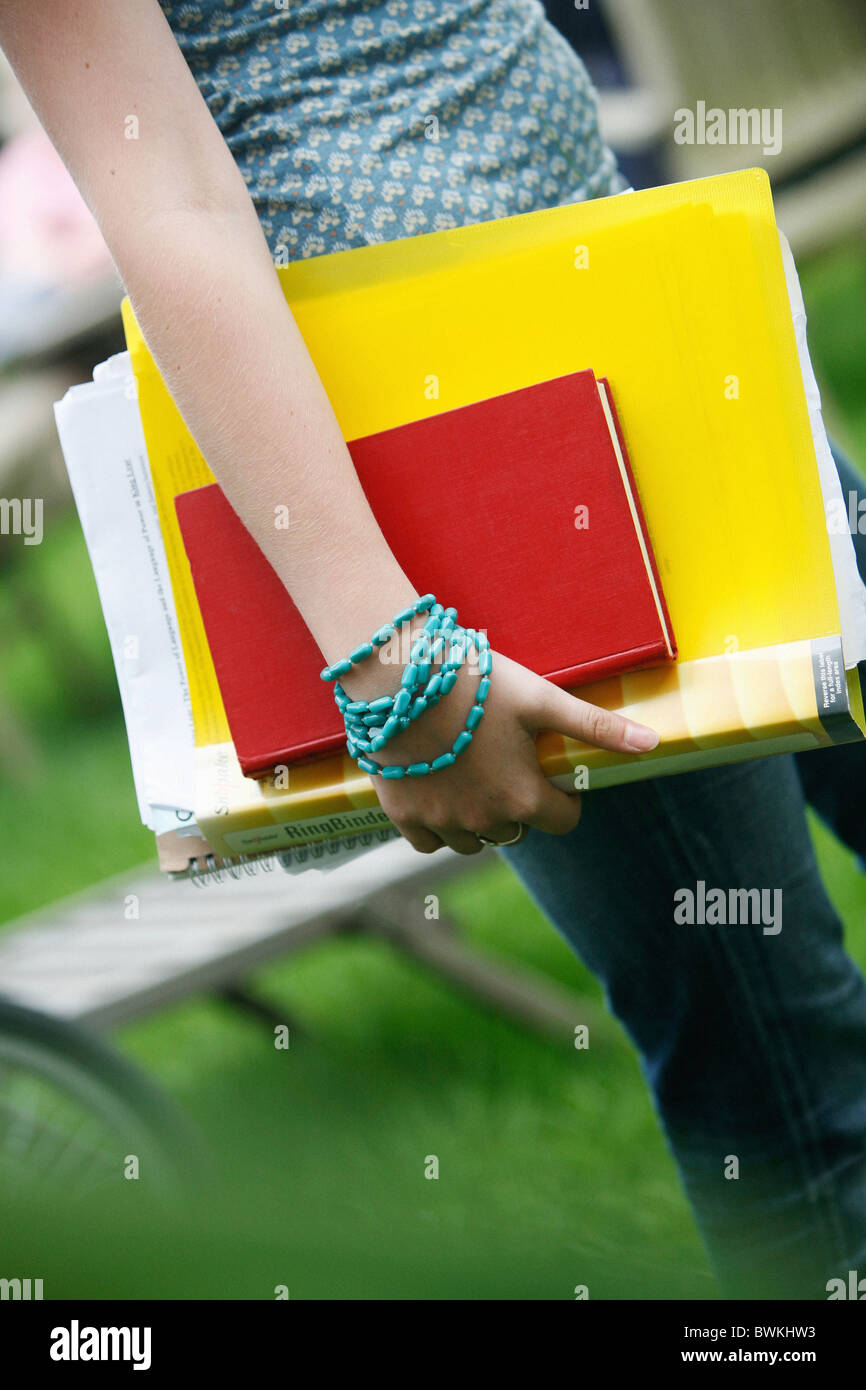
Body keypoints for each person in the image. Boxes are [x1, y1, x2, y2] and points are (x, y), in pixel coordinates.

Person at [2, 0, 864, 1298]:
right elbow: (164, 199)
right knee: (786, 1074)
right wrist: (386, 655)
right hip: (454, 440)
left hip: (615, 295)